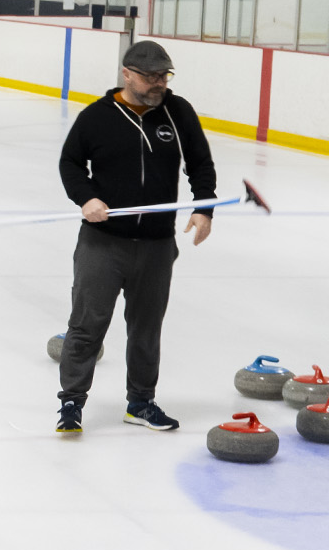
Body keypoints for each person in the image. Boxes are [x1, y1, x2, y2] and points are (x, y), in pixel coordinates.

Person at [52, 39, 214, 433]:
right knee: (87, 325)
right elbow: (70, 163)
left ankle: (140, 402)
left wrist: (204, 207)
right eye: (151, 77)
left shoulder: (177, 113)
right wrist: (86, 197)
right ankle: (71, 403)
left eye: (164, 76)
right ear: (127, 74)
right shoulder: (98, 117)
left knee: (146, 328)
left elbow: (200, 163)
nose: (159, 84)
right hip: (103, 244)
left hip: (157, 246)